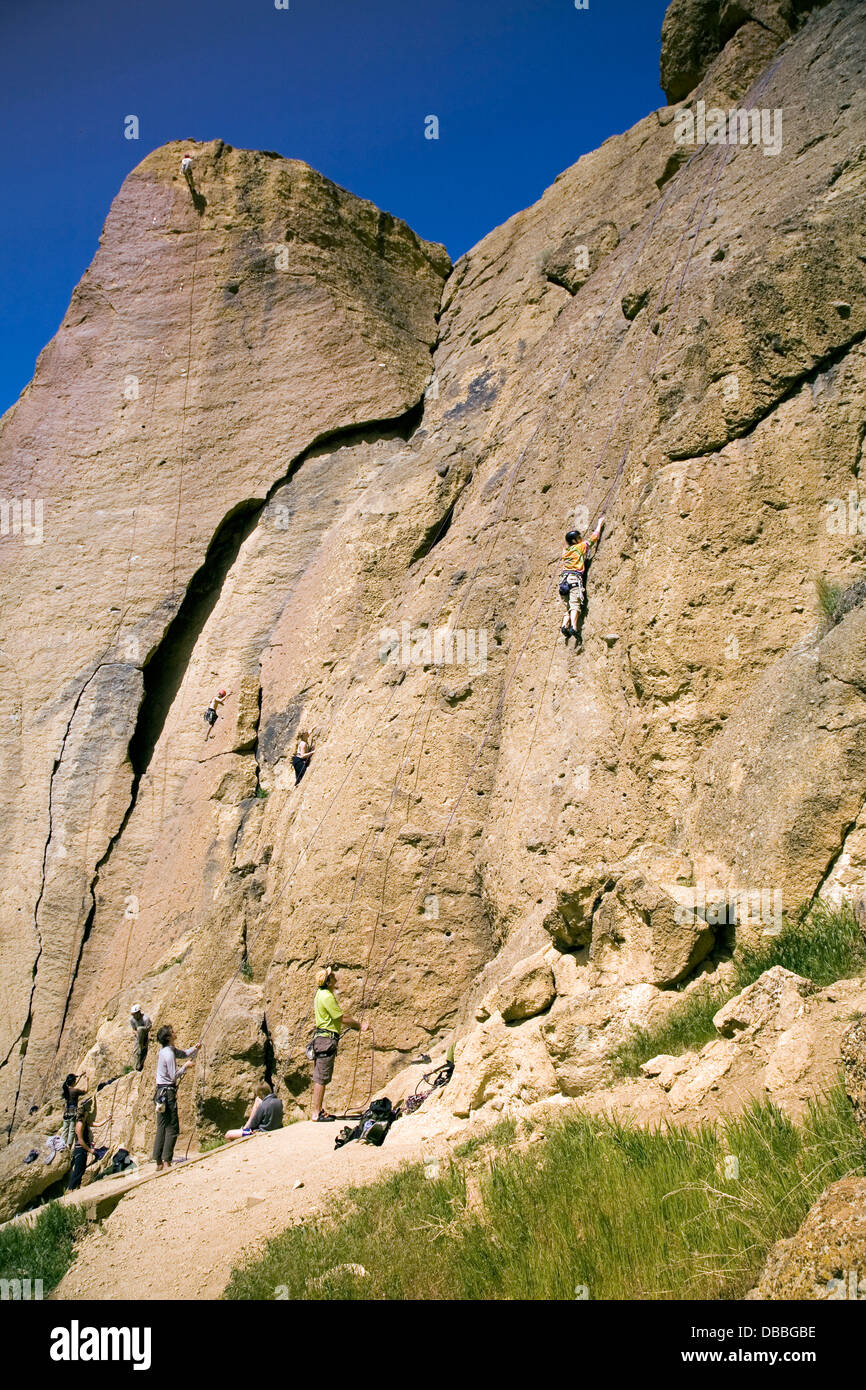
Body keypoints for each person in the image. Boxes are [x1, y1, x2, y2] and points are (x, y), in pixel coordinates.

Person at [310, 967, 367, 1122]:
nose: (335, 977)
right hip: (326, 1040)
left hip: (321, 1039)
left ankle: (318, 1110)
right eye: (332, 976)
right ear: (328, 982)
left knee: (320, 1075)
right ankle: (316, 1113)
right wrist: (359, 1025)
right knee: (321, 1077)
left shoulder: (319, 994)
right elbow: (341, 1018)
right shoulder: (327, 996)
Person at [153, 1024, 200, 1171]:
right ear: (168, 1037)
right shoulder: (168, 1054)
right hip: (167, 1093)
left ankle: (158, 1161)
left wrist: (195, 1048)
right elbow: (173, 1076)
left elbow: (184, 1053)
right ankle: (167, 1160)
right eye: (173, 1032)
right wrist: (185, 1067)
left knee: (161, 1126)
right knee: (172, 1127)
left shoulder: (168, 1050)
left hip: (160, 1093)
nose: (175, 1032)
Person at [559, 514, 605, 645]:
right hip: (574, 578)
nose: (581, 538)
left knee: (568, 605)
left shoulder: (565, 551)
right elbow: (593, 538)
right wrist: (599, 524)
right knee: (575, 605)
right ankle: (574, 627)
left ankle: (564, 625)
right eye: (578, 537)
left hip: (563, 581)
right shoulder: (579, 547)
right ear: (574, 541)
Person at [66, 1098, 96, 1191]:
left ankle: (76, 1189)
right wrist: (89, 1149)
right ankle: (70, 1190)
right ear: (84, 1114)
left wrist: (107, 1119)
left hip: (82, 1150)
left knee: (81, 1170)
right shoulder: (79, 1125)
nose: (88, 1114)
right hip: (80, 1150)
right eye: (87, 1113)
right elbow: (80, 1140)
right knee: (77, 1171)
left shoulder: (84, 1122)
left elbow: (95, 1124)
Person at [60, 1073, 87, 1149]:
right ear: (73, 1082)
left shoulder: (66, 1089)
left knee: (65, 1129)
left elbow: (74, 1084)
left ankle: (62, 1144)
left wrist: (80, 1075)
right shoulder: (75, 1091)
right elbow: (86, 1090)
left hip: (66, 1111)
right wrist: (86, 1081)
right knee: (71, 1130)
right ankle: (69, 1146)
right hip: (73, 1111)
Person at [129, 1005, 152, 1072]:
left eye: (135, 1014)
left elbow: (149, 1029)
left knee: (140, 1029)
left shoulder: (145, 1018)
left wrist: (148, 1039)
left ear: (139, 1012)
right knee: (136, 1051)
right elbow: (134, 1030)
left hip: (145, 1032)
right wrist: (138, 1036)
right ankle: (136, 1067)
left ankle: (142, 1047)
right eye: (133, 1014)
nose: (134, 1016)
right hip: (138, 1035)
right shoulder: (132, 1020)